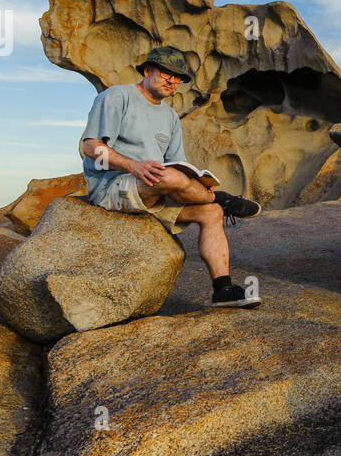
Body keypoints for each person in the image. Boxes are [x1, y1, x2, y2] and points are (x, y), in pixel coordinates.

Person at [79, 45, 262, 308]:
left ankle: (223, 289)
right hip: (113, 187)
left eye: (178, 78)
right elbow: (90, 148)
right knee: (173, 179)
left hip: (155, 192)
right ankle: (221, 197)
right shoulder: (117, 97)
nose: (172, 81)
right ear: (147, 69)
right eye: (166, 73)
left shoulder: (169, 117)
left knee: (211, 213)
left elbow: (177, 164)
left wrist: (196, 179)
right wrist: (134, 166)